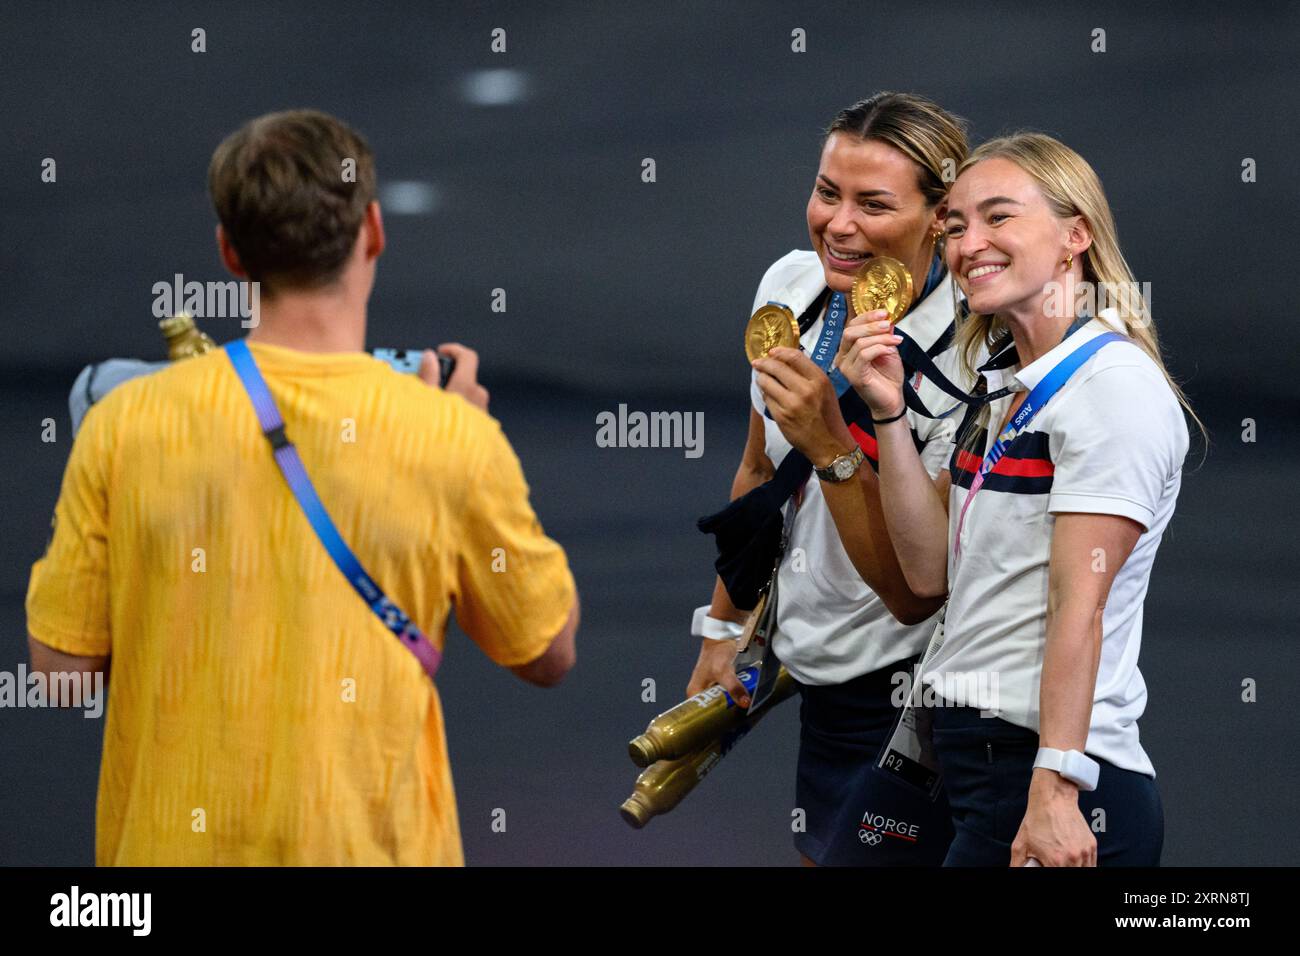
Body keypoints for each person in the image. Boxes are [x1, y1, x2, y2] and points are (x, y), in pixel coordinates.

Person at [25, 109, 580, 866]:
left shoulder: (122, 426)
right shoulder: (452, 438)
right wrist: (473, 451)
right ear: (374, 231)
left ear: (230, 253)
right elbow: (546, 649)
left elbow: (59, 676)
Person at [840, 132, 1198, 866]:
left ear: (1076, 235)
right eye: (957, 226)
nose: (970, 243)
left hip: (1048, 773)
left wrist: (1056, 789)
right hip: (964, 755)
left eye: (999, 218)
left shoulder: (1111, 389)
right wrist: (886, 412)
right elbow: (928, 572)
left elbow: (1081, 606)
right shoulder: (1006, 387)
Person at [689, 92, 969, 866]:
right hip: (820, 679)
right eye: (826, 192)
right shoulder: (791, 286)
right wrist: (723, 634)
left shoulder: (971, 359)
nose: (838, 225)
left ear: (940, 217)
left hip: (917, 701)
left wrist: (829, 440)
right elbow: (757, 471)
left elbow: (920, 587)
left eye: (873, 204)